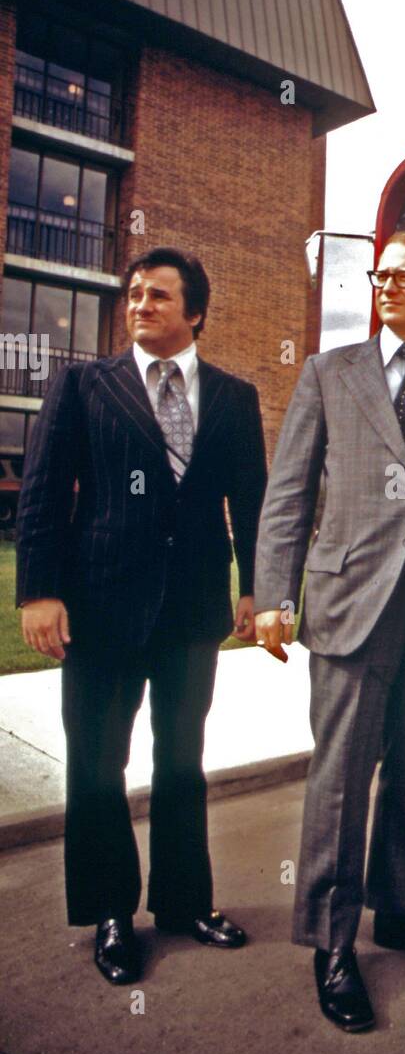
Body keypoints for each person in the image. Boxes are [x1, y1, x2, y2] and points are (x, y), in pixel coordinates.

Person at [254, 231, 405, 1032]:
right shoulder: (331, 373)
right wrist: (272, 596)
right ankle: (332, 943)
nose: (387, 285)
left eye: (404, 276)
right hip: (349, 601)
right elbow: (288, 493)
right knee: (339, 777)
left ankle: (401, 910)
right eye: (380, 275)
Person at [16, 247, 267, 985]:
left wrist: (256, 586)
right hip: (97, 606)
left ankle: (186, 903)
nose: (140, 304)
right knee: (98, 767)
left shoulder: (234, 396)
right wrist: (39, 589)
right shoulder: (83, 385)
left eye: (159, 295)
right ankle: (110, 913)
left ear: (196, 313)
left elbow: (250, 503)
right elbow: (42, 492)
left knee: (182, 763)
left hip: (192, 612)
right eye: (133, 294)